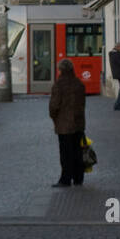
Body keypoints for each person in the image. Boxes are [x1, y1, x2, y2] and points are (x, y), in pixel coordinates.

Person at [48, 58, 86, 187]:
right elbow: (82, 104)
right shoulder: (79, 83)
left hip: (64, 125)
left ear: (60, 70)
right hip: (78, 123)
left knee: (65, 153)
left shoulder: (58, 85)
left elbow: (54, 106)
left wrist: (55, 118)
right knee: (77, 151)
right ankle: (78, 178)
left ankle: (65, 179)